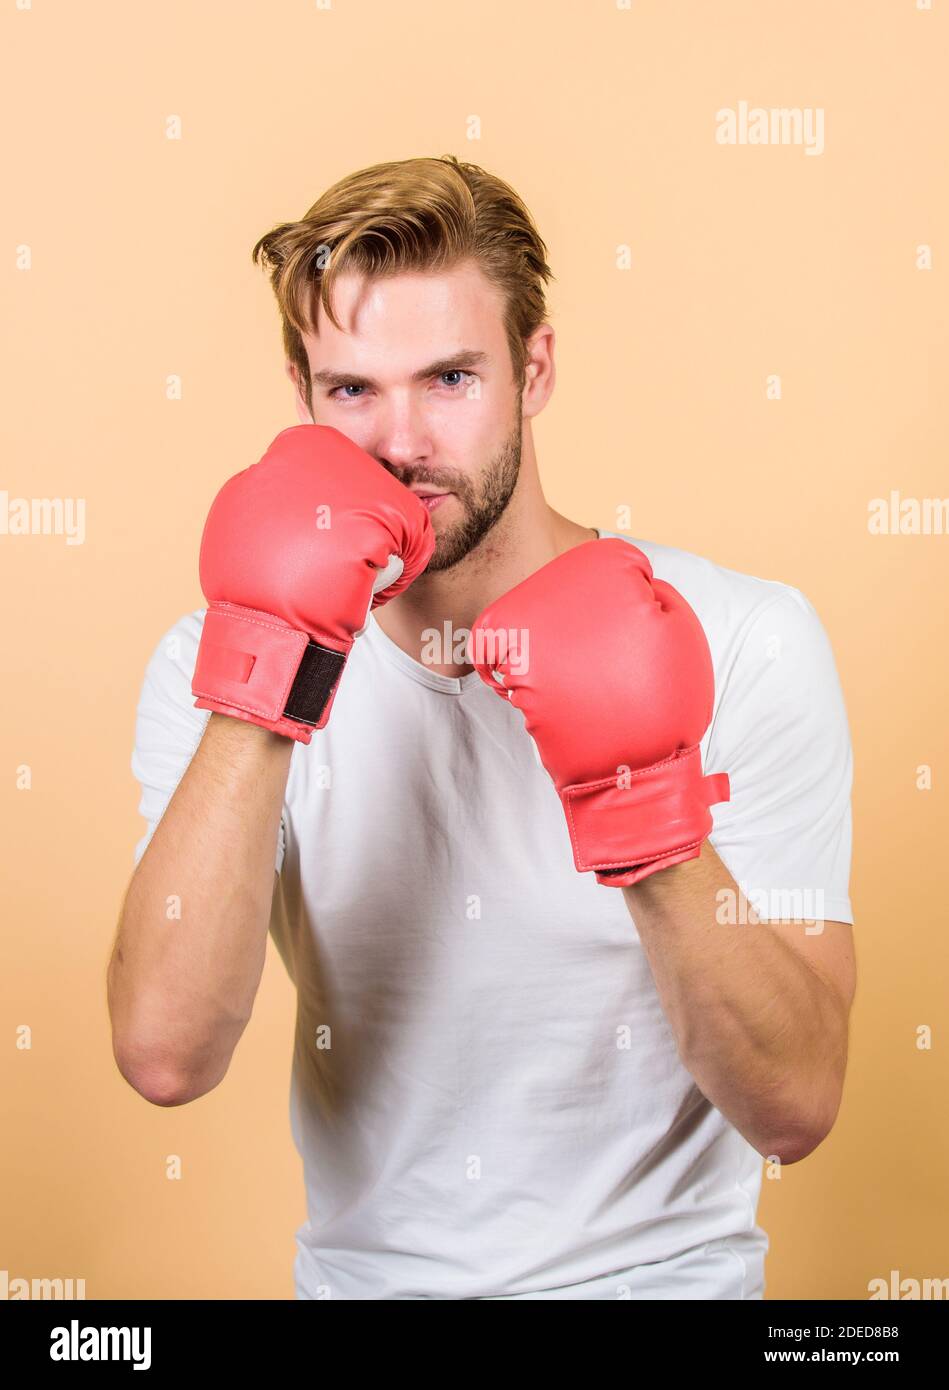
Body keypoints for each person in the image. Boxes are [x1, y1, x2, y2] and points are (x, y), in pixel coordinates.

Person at [108, 155, 855, 1301]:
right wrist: (270, 675)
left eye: (449, 377)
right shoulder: (211, 661)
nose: (399, 443)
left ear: (534, 366)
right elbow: (164, 1053)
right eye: (350, 389)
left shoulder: (745, 638)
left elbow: (797, 1104)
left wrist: (643, 801)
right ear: (299, 388)